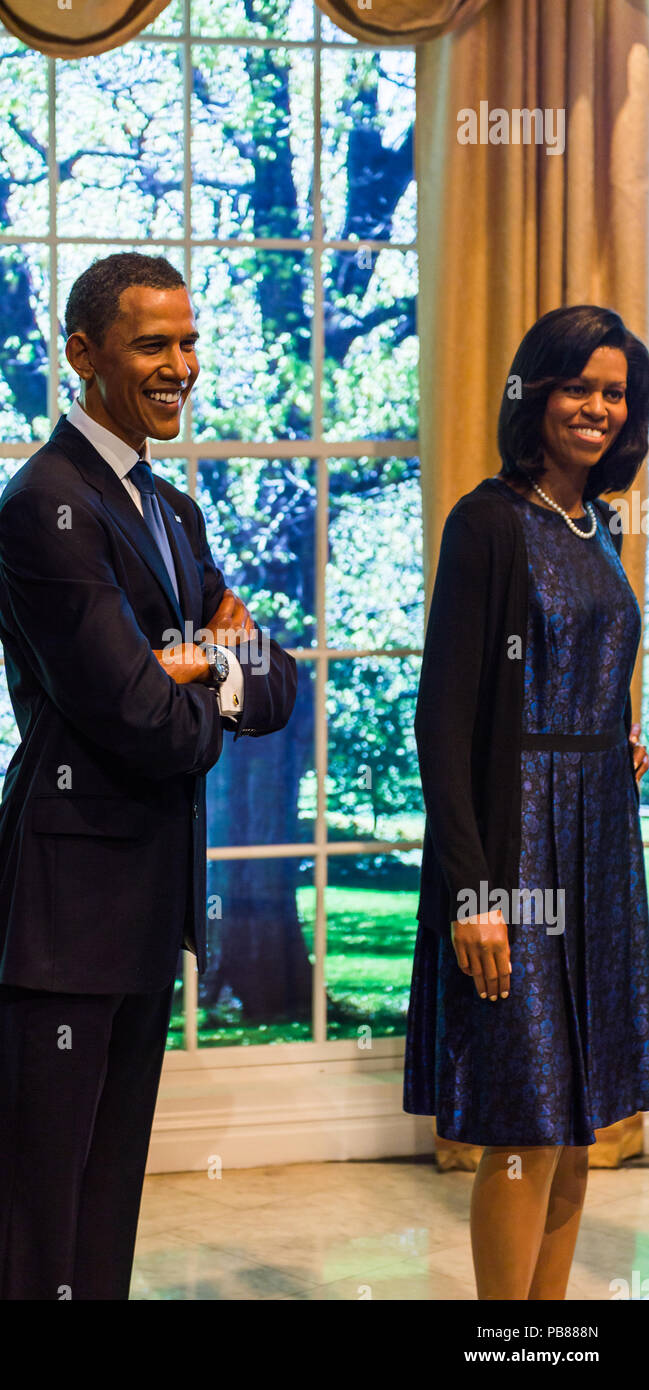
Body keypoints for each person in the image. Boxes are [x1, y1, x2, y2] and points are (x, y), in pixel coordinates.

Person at [0, 252, 297, 1300]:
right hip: (60, 915)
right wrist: (200, 670)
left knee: (106, 1204)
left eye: (189, 341)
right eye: (152, 343)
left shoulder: (173, 512)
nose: (179, 364)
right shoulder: (44, 506)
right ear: (82, 354)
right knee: (36, 1219)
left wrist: (200, 665)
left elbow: (276, 685)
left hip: (143, 909)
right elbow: (142, 719)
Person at [403, 304, 649, 1300]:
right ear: (534, 394)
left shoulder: (604, 526)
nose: (595, 407)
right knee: (524, 1113)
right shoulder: (487, 523)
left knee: (580, 1112)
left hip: (600, 845)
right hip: (517, 852)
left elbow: (590, 660)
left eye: (613, 392)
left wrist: (614, 738)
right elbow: (443, 721)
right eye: (576, 386)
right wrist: (474, 893)